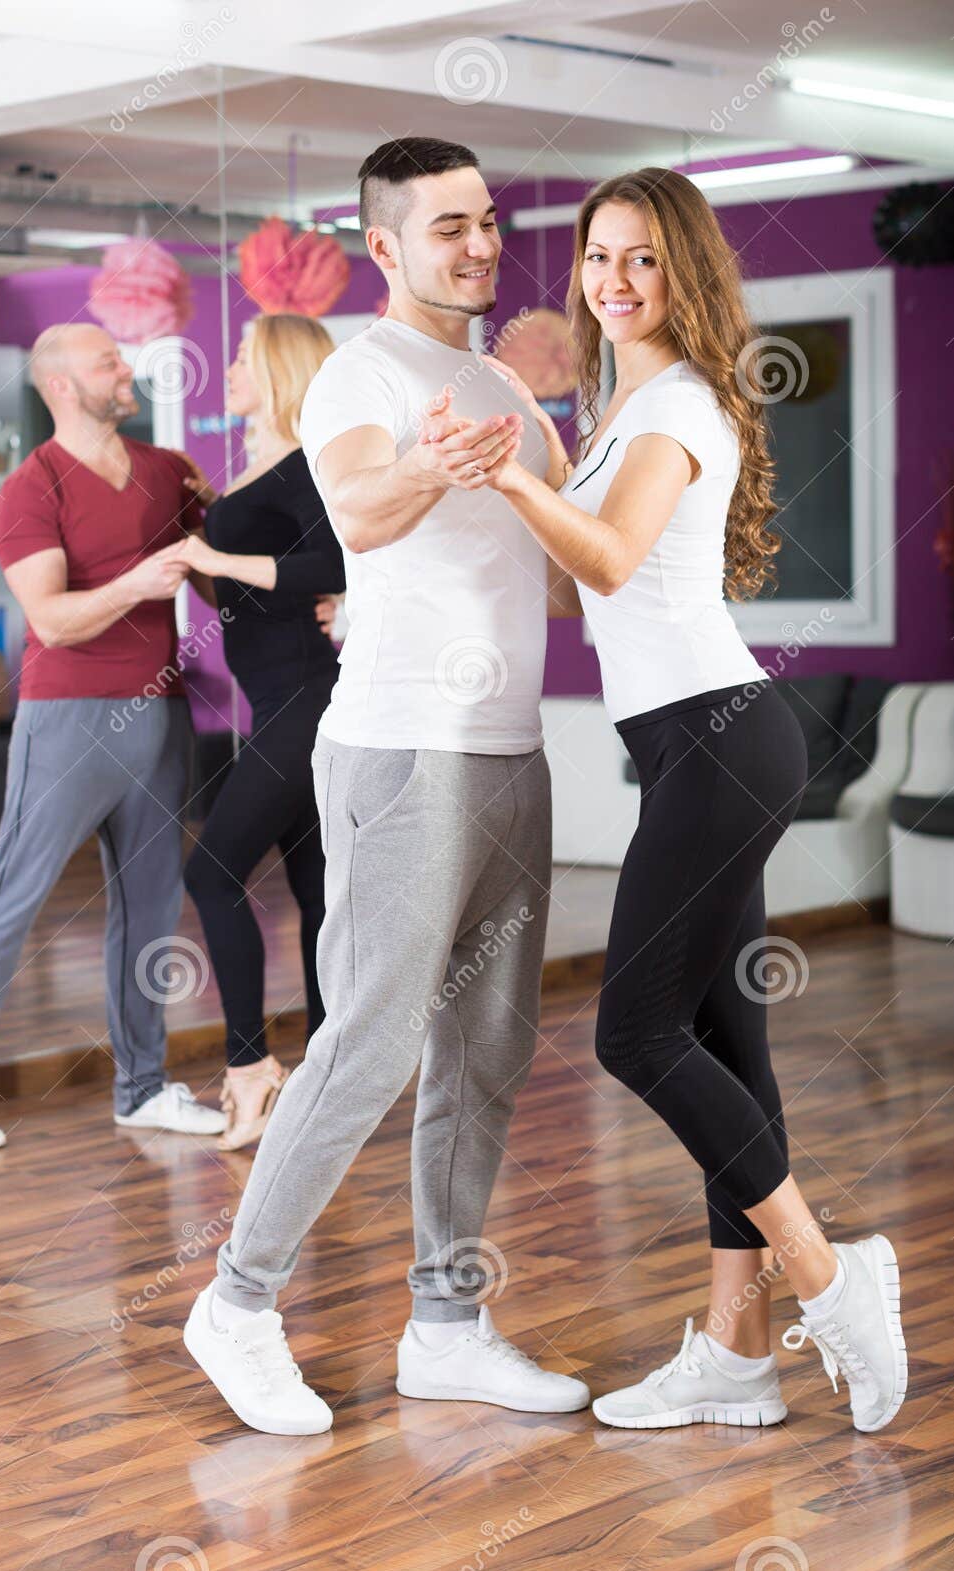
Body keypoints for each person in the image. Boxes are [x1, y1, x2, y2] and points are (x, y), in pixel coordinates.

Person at [464, 166, 905, 1435]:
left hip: (714, 741)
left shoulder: (673, 407)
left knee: (634, 1031)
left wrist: (512, 481)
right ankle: (734, 1351)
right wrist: (539, 465)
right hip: (687, 742)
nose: (613, 280)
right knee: (725, 1043)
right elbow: (578, 589)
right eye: (598, 256)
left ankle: (828, 1275)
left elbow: (604, 557)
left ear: (684, 274)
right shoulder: (621, 409)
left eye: (643, 258)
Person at [182, 137, 589, 1437]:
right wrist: (436, 462)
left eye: (486, 220)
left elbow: (566, 572)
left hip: (509, 745)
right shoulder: (361, 372)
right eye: (446, 226)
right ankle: (237, 1301)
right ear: (384, 246)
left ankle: (446, 1326)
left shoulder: (500, 382)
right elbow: (356, 510)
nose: (477, 245)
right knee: (368, 1041)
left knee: (488, 1048)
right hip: (402, 745)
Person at [0, 323, 225, 1151]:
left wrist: (228, 515)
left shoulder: (165, 471)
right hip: (68, 720)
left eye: (122, 359)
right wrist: (139, 582)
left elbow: (217, 571)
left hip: (159, 713)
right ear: (59, 384)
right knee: (16, 892)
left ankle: (142, 1088)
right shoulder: (30, 488)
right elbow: (51, 618)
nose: (126, 371)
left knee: (152, 904)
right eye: (107, 362)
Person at [148, 313, 345, 1151]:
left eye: (240, 357)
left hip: (306, 697)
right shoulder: (256, 469)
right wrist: (205, 539)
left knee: (212, 871)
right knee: (315, 892)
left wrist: (217, 556)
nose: (226, 368)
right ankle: (326, 1084)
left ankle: (250, 1068)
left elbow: (338, 564)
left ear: (277, 369)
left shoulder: (309, 463)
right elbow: (236, 596)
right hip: (275, 698)